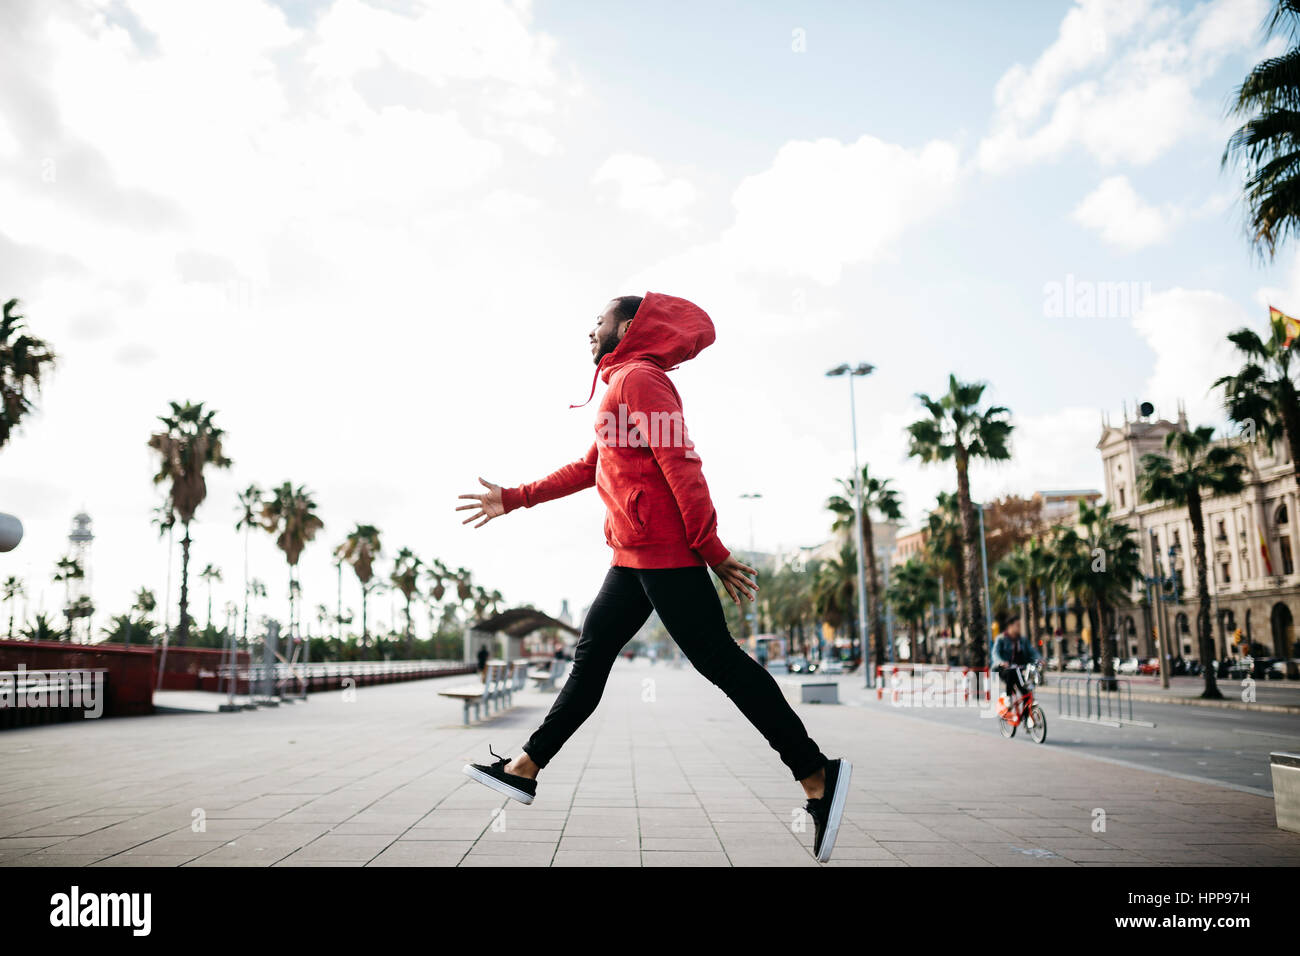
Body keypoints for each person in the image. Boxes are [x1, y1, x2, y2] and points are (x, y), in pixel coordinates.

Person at [455, 292, 850, 862]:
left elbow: (681, 464)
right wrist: (515, 498)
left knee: (722, 663)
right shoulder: (620, 384)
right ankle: (523, 768)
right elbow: (591, 467)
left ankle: (817, 776)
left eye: (599, 319)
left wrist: (711, 550)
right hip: (631, 558)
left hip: (665, 553)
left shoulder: (641, 380)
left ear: (629, 325)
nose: (590, 329)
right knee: (591, 658)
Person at [991, 612, 1039, 706]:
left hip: (1020, 670)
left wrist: (1039, 659)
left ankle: (1026, 718)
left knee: (1027, 694)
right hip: (1005, 670)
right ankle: (1008, 697)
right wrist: (1001, 662)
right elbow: (995, 654)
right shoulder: (1001, 639)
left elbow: (1032, 651)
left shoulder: (1022, 640)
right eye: (1018, 625)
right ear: (1010, 626)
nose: (1019, 627)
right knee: (1011, 671)